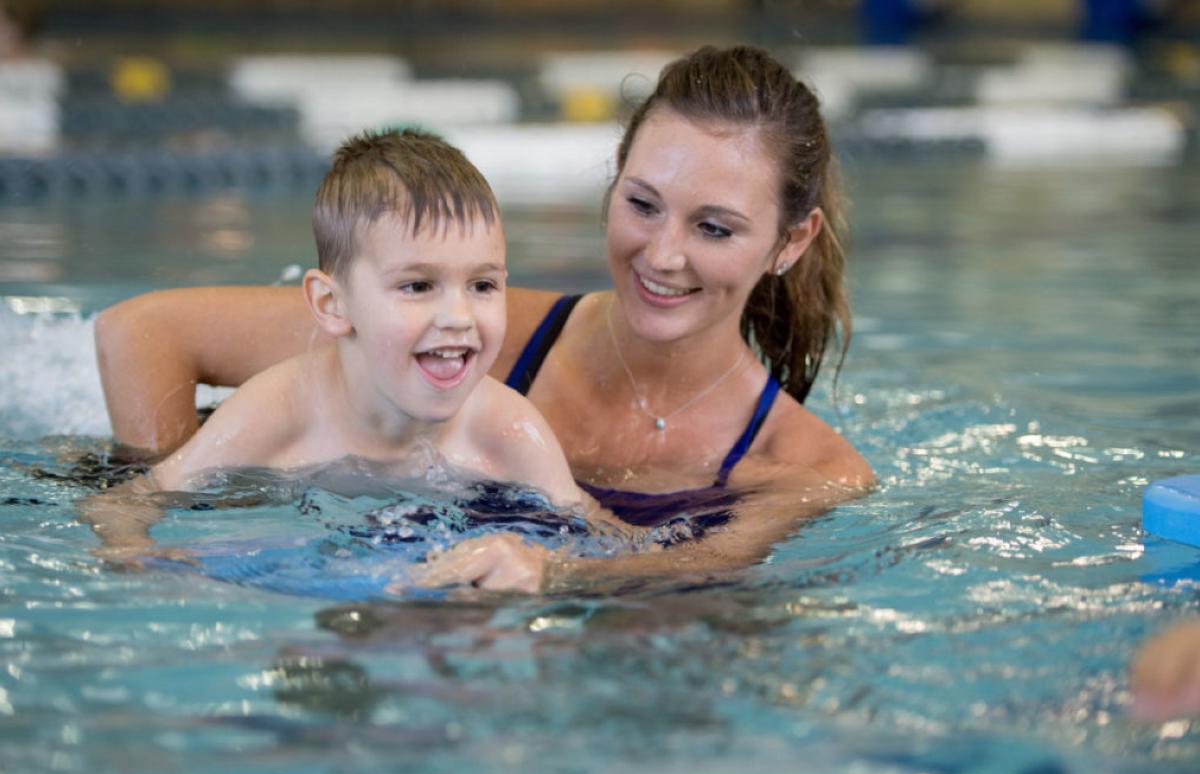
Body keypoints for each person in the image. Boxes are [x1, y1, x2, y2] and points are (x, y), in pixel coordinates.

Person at [93, 45, 875, 592]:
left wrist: (554, 572)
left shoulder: (813, 471)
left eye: (714, 228)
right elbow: (142, 331)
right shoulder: (453, 334)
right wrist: (187, 502)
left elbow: (695, 572)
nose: (662, 256)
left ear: (789, 241)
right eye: (641, 205)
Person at [83, 128, 580, 588]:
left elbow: (599, 536)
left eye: (482, 285)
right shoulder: (275, 414)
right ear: (332, 305)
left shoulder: (509, 431)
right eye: (418, 285)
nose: (458, 316)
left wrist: (546, 567)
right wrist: (138, 555)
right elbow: (127, 503)